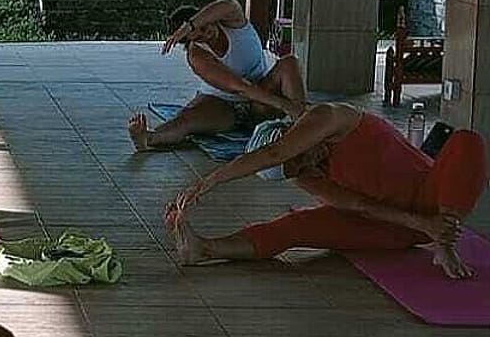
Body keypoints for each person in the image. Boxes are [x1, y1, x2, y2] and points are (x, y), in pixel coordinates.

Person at [165, 102, 488, 279]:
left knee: (466, 141)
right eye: (297, 171)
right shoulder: (306, 175)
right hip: (400, 227)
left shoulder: (330, 118)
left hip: (435, 197)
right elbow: (360, 207)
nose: (307, 167)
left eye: (300, 158)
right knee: (294, 225)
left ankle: (447, 242)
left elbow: (274, 153)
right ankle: (205, 249)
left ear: (295, 138)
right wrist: (421, 225)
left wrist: (208, 181)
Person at [128, 0, 307, 151]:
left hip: (261, 96)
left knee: (289, 62)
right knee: (186, 119)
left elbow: (226, 3)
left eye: (204, 27)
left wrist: (190, 26)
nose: (205, 35)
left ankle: (302, 122)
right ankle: (149, 138)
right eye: (197, 37)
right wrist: (285, 105)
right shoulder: (197, 55)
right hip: (223, 104)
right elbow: (240, 87)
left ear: (207, 17)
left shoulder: (234, 20)